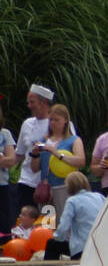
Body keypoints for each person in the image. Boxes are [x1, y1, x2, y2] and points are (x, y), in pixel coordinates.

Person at [30, 104, 84, 218]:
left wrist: (57, 154)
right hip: (46, 189)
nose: (53, 123)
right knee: (47, 225)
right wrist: (34, 155)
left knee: (65, 222)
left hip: (65, 188)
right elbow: (34, 168)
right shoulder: (43, 140)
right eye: (51, 120)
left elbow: (81, 161)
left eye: (56, 120)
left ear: (65, 121)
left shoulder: (74, 140)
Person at [13, 83, 56, 216]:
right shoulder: (27, 124)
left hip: (50, 184)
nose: (29, 106)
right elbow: (19, 154)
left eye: (32, 102)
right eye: (28, 102)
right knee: (24, 222)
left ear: (43, 102)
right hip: (26, 181)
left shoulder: (58, 123)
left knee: (47, 224)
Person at [43, 172, 104, 261]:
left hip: (82, 248)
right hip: (100, 245)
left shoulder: (72, 201)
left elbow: (63, 227)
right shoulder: (100, 197)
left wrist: (57, 237)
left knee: (52, 244)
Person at [0, 123, 16, 231]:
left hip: (2, 184)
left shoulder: (5, 133)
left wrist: (3, 160)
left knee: (4, 222)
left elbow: (11, 160)